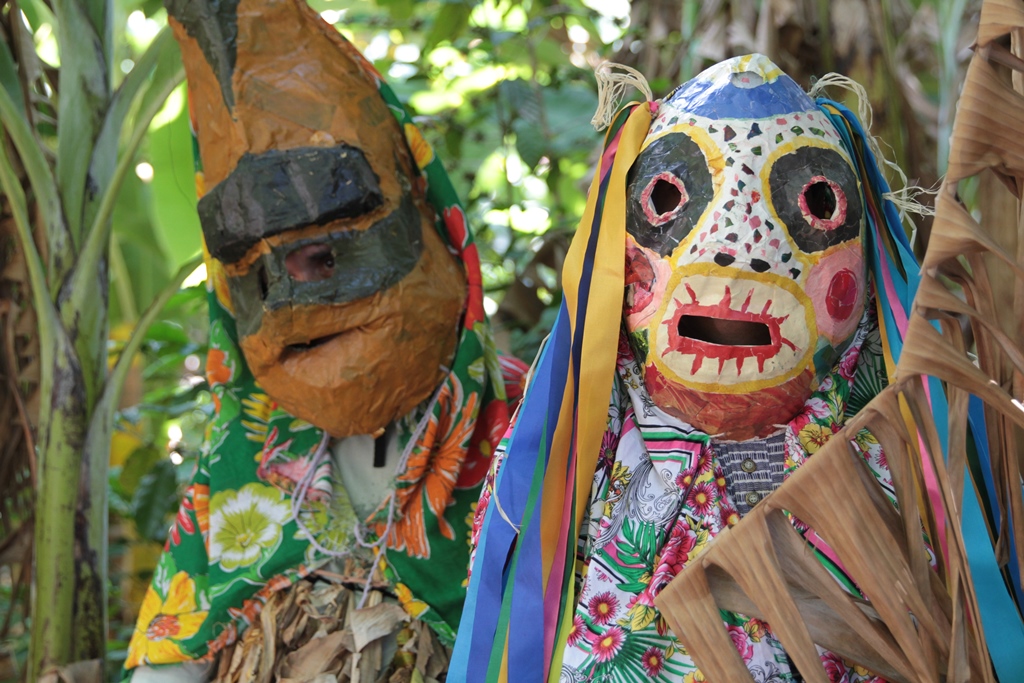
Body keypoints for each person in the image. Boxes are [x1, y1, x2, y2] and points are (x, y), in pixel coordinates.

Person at [454, 54, 919, 682]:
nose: (736, 253)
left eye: (816, 201)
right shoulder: (569, 458)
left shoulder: (917, 447)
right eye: (668, 197)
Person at [123, 0, 525, 680]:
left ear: (429, 222)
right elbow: (172, 651)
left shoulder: (529, 429)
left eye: (325, 254)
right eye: (254, 272)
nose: (291, 300)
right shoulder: (244, 457)